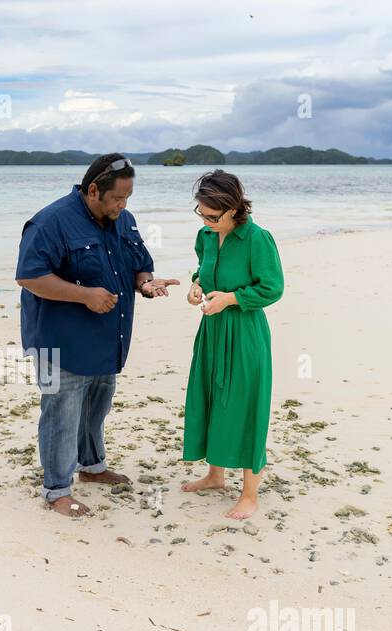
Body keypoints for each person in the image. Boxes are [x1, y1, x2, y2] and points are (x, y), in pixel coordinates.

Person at [15, 153, 180, 517]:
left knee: (96, 408)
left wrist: (147, 283)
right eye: (118, 199)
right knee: (61, 413)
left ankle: (91, 467)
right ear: (93, 190)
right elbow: (29, 276)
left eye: (128, 199)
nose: (123, 206)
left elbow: (139, 264)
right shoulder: (51, 222)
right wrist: (84, 295)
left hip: (107, 338)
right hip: (59, 340)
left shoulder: (124, 219)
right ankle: (57, 490)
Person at [181, 169, 284, 520]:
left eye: (213, 216)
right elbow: (202, 269)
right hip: (211, 330)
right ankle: (214, 475)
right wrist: (196, 285)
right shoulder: (206, 236)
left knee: (244, 404)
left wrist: (232, 299)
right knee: (210, 397)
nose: (206, 221)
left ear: (234, 209)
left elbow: (272, 288)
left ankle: (250, 494)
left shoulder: (257, 239)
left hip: (244, 333)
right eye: (202, 214)